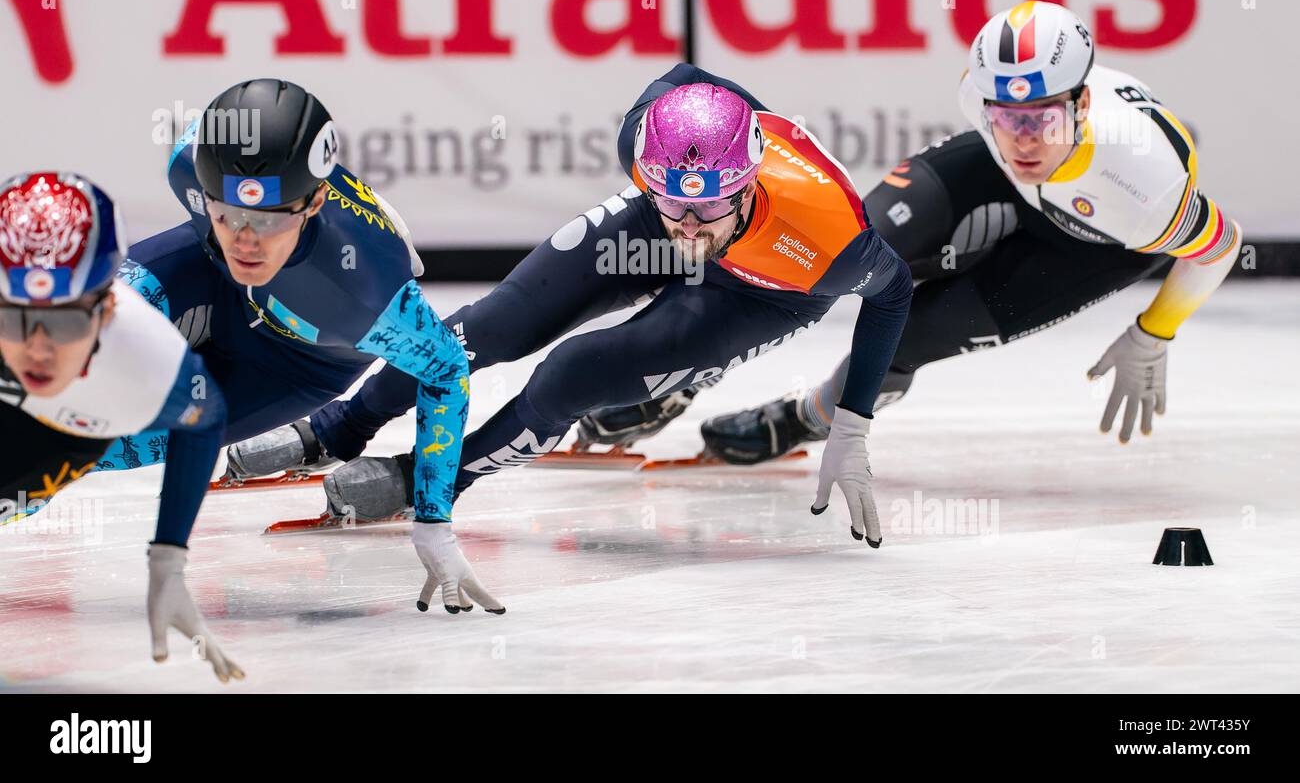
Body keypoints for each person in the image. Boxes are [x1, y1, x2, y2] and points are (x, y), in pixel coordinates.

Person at [228, 66, 914, 549]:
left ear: (748, 182)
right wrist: (682, 208)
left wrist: (851, 426)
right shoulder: (656, 162)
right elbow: (682, 82)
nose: (689, 227)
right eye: (673, 200)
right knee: (495, 322)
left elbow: (894, 292)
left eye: (706, 206)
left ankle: (432, 478)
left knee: (573, 375)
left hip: (766, 289)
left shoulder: (829, 240)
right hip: (676, 219)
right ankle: (340, 426)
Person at [690, 0, 1242, 463]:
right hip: (998, 180)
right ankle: (683, 370)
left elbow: (1222, 246)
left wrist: (1154, 332)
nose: (1024, 141)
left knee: (907, 340)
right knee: (840, 246)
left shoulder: (1145, 186)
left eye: (1043, 120)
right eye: (1005, 118)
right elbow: (1014, 126)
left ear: (1084, 103)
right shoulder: (979, 95)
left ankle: (805, 418)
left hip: (1094, 243)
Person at [97, 78, 498, 615]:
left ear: (313, 202)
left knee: (90, 440)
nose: (246, 241)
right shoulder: (191, 163)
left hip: (295, 366)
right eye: (226, 214)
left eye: (268, 220)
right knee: (72, 341)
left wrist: (434, 523)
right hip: (210, 278)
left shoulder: (360, 292)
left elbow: (446, 370)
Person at [0, 171, 239, 681]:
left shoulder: (151, 366)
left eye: (63, 320)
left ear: (107, 309)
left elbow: (205, 421)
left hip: (62, 434)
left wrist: (167, 563)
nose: (37, 348)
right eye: (15, 317)